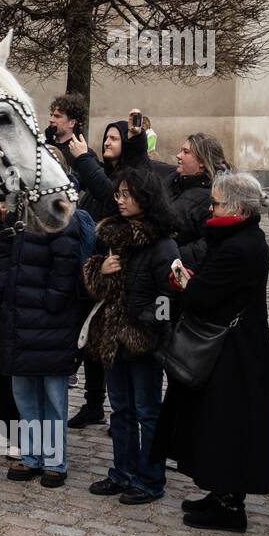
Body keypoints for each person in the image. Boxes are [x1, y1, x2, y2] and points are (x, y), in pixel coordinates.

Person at [153, 172, 269, 532]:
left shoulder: (240, 246)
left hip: (231, 349)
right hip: (228, 345)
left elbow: (203, 296)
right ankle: (219, 493)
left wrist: (182, 283)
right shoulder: (236, 238)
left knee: (226, 424)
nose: (210, 208)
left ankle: (229, 505)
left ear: (236, 208)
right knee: (213, 422)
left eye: (217, 203)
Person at [82, 167, 179, 505]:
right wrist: (100, 271)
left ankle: (150, 479)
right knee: (121, 410)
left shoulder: (162, 245)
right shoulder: (112, 237)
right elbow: (99, 290)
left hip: (143, 344)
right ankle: (121, 473)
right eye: (118, 194)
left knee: (147, 411)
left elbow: (170, 301)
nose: (120, 200)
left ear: (145, 198)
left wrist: (142, 326)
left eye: (127, 194)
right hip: (113, 341)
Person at [0, 147, 84, 487]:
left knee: (53, 398)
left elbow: (65, 267)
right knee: (25, 394)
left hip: (48, 320)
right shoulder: (20, 209)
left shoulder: (61, 211)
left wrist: (49, 304)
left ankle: (55, 463)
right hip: (18, 317)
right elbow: (7, 257)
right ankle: (31, 456)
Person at [65, 112, 152, 429]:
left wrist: (84, 158)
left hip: (119, 274)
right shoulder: (101, 173)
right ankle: (93, 403)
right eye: (105, 138)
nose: (106, 142)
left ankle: (121, 413)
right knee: (92, 342)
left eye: (114, 138)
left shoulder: (130, 177)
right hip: (96, 268)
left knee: (112, 347)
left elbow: (109, 193)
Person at [165, 133, 229, 270]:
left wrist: (173, 255)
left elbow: (210, 243)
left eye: (186, 152)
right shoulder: (173, 180)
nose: (178, 155)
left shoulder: (214, 197)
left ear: (202, 162)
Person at [44, 93, 88, 168]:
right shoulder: (46, 145)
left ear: (71, 123)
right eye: (51, 115)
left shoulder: (81, 153)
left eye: (57, 116)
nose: (51, 120)